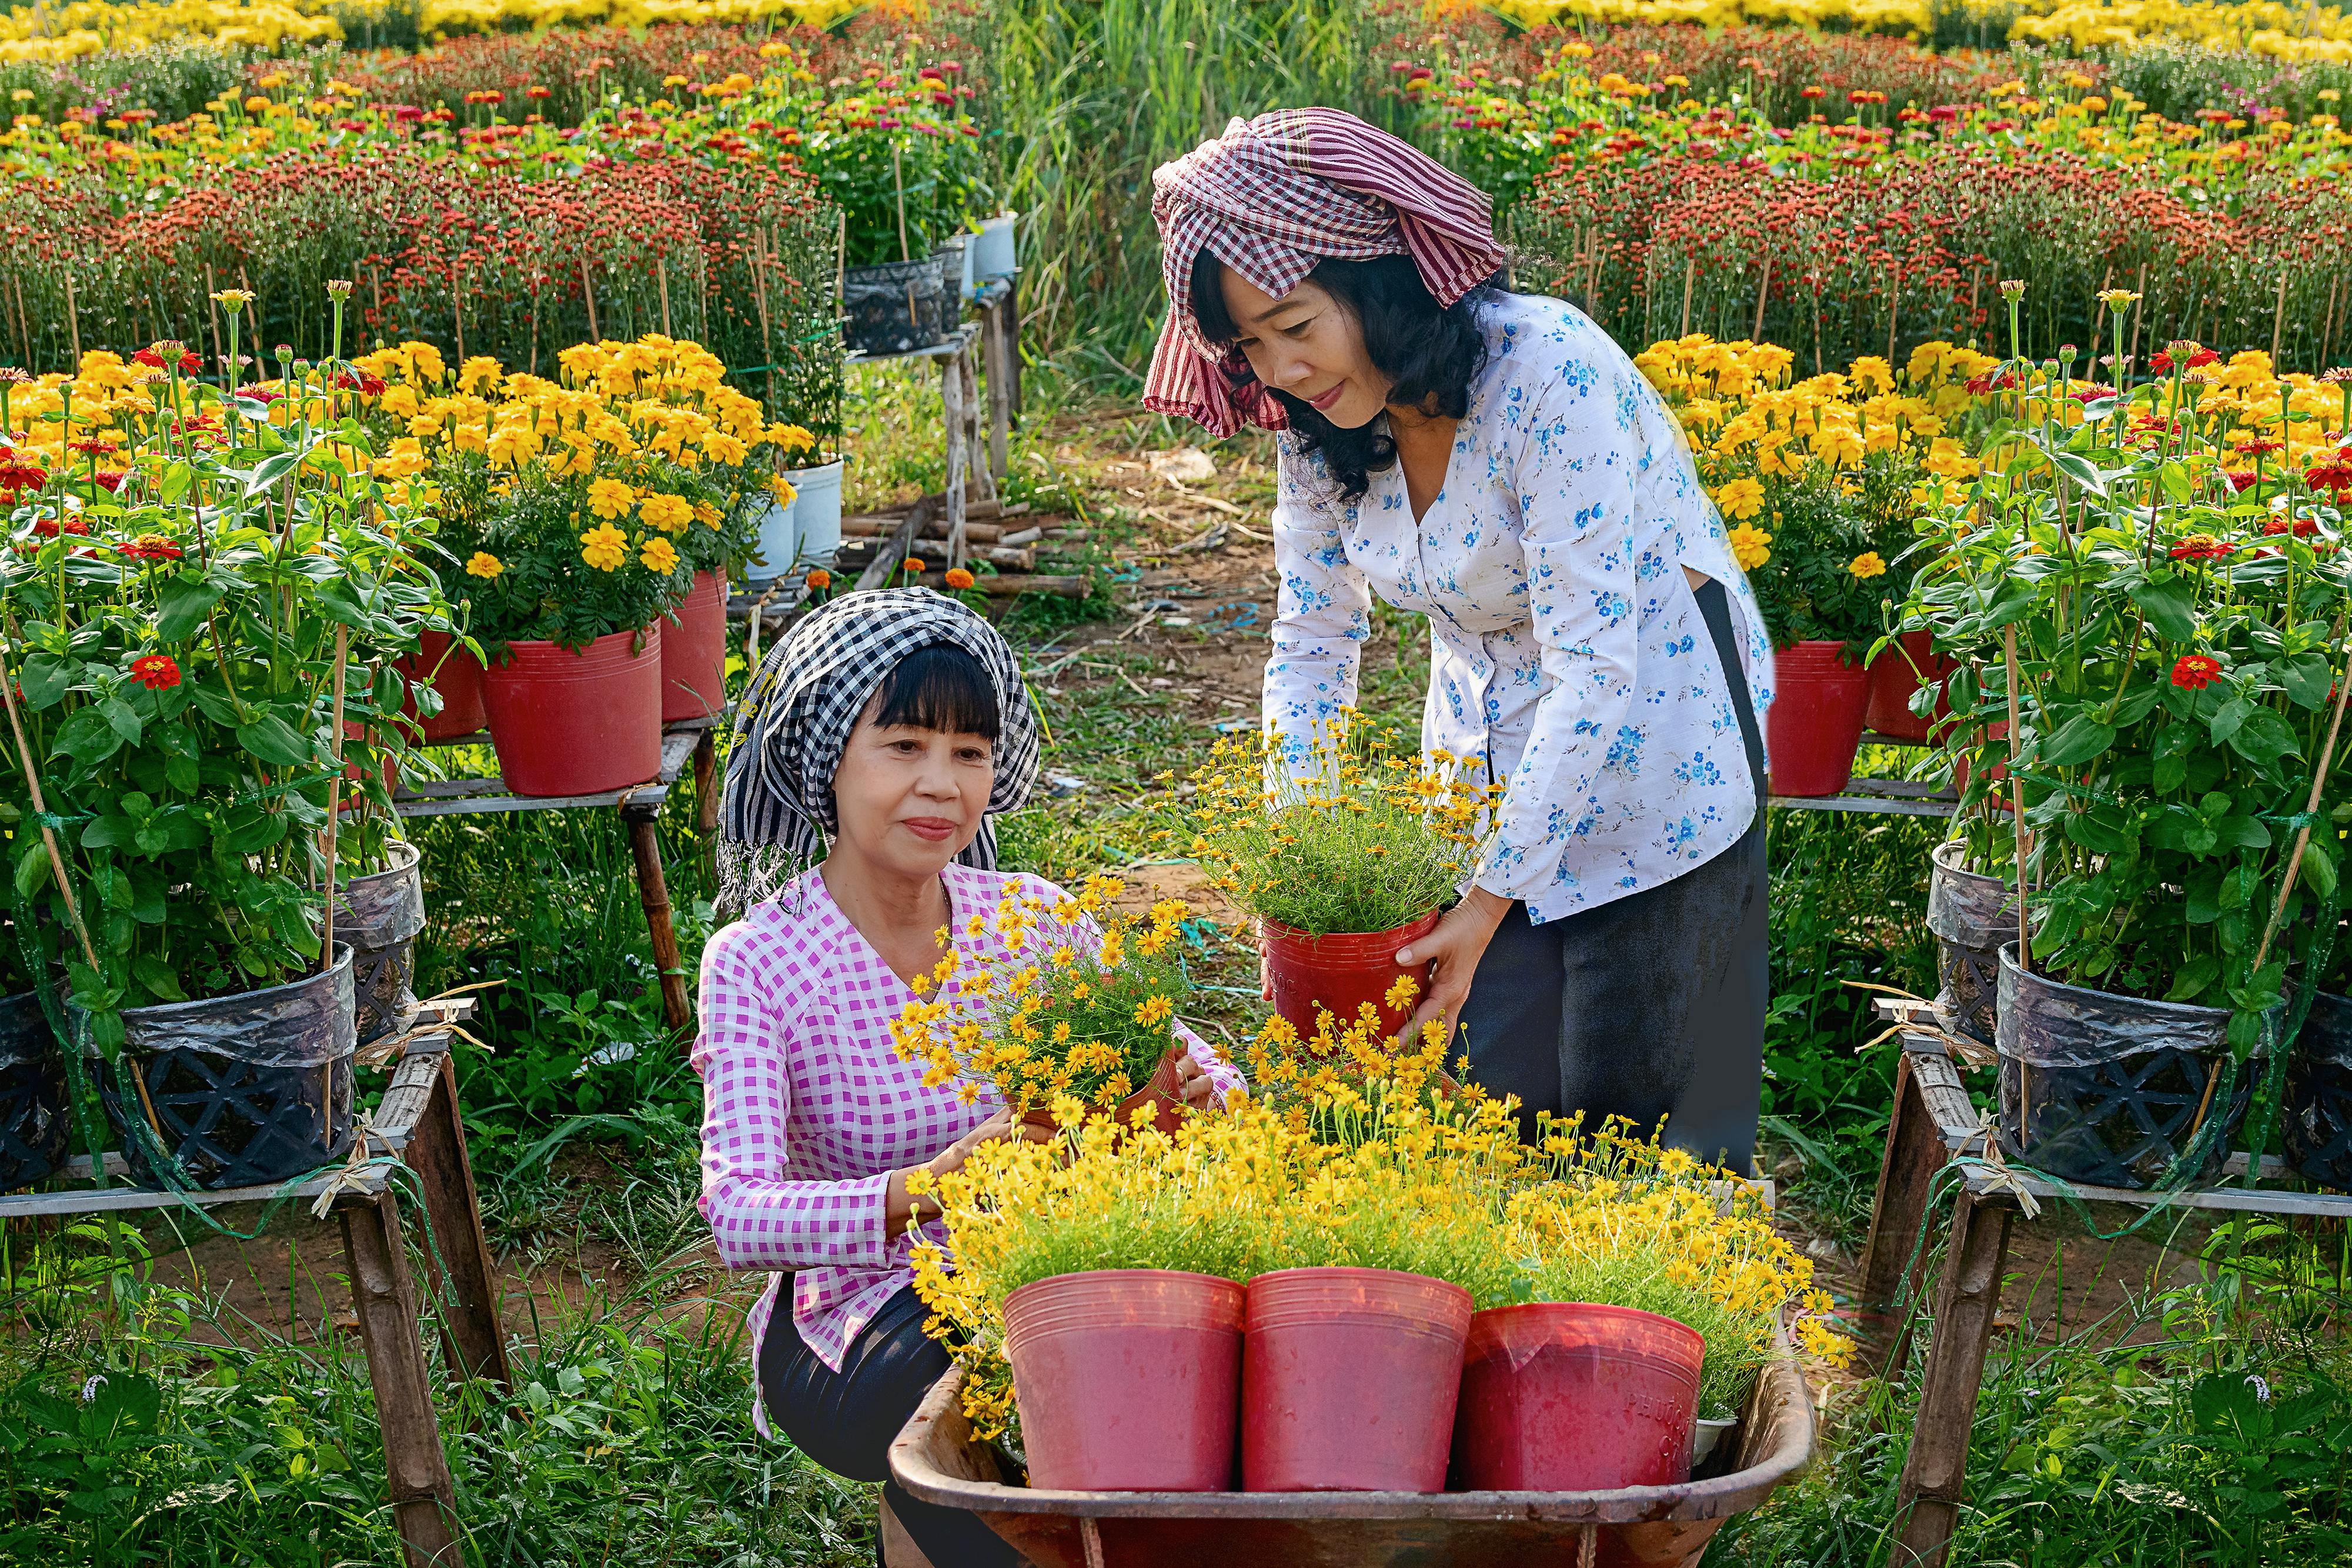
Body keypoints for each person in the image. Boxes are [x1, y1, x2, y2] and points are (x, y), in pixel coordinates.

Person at [1147, 108, 1773, 1172]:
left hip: (1659, 738)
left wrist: (1486, 903)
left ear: (1380, 282)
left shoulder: (1547, 373)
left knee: (1640, 1122)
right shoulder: (1316, 427)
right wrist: (1300, 887)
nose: (1284, 368)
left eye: (1297, 326)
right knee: (1493, 1103)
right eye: (1252, 345)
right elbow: (1310, 645)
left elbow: (1595, 663)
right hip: (1485, 749)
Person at [694, 589, 1242, 1566]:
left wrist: (1194, 1093)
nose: (941, 786)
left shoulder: (1033, 920)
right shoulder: (760, 958)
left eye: (969, 754)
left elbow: (1204, 1068)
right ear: (831, 760)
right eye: (904, 746)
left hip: (1057, 1265)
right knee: (997, 1387)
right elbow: (736, 1209)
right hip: (866, 1314)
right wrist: (933, 1186)